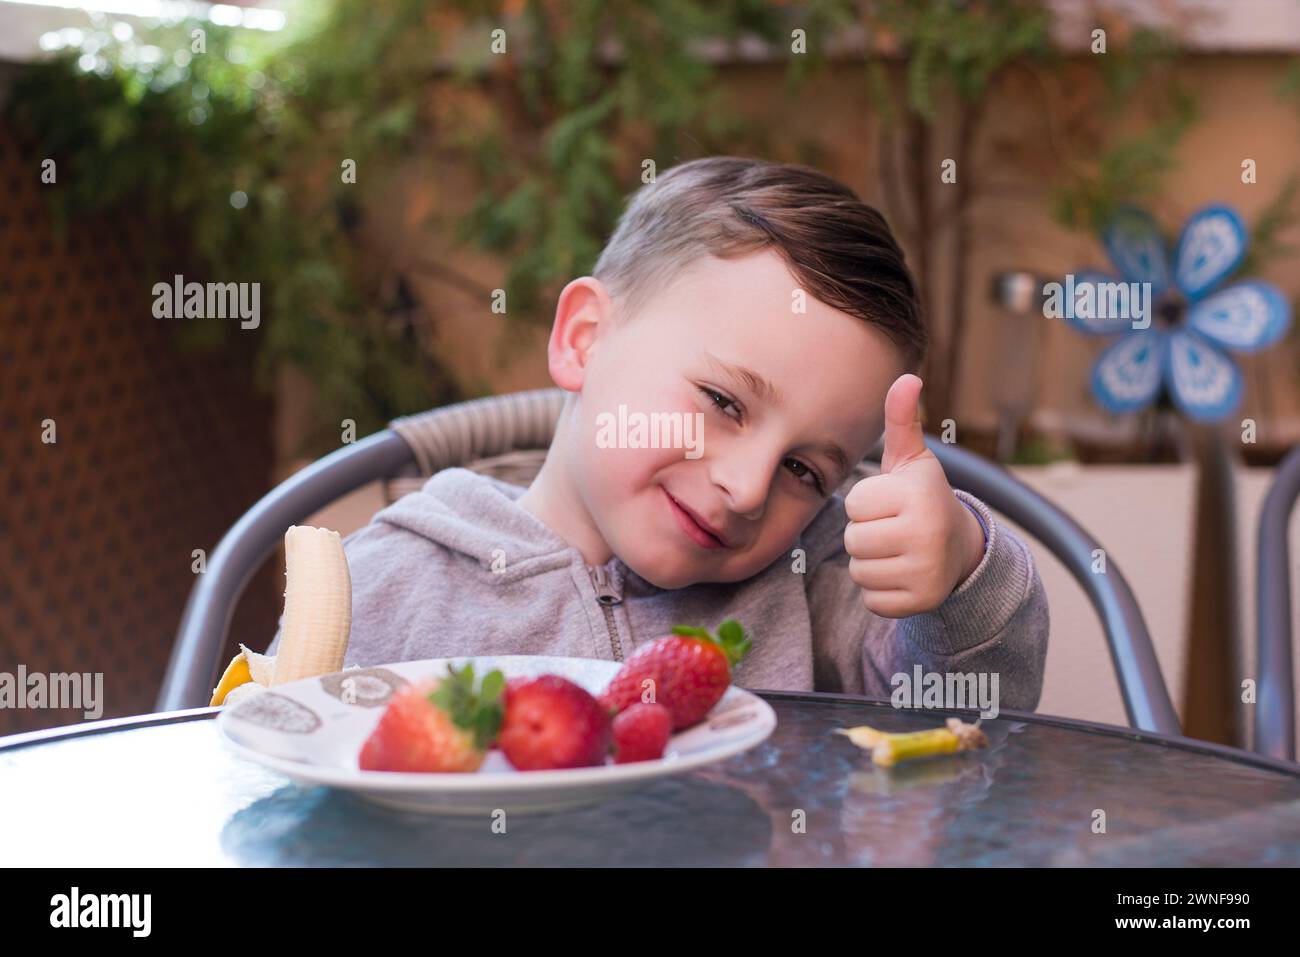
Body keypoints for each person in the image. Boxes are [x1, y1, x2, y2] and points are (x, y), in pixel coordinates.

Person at [268, 156, 1049, 710]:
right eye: (723, 401)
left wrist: (960, 574)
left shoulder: (822, 588)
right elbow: (272, 792)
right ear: (583, 338)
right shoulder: (388, 587)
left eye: (806, 471)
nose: (746, 488)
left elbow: (968, 727)